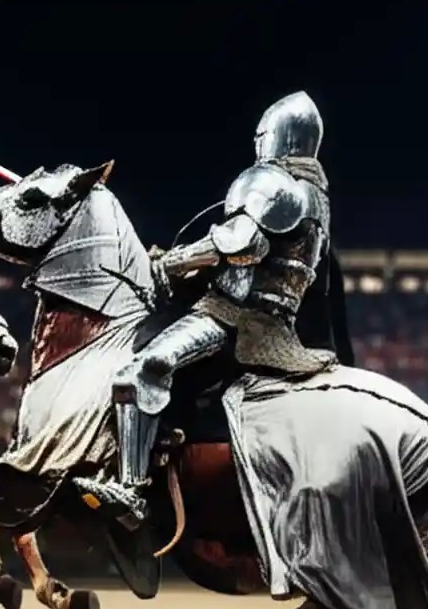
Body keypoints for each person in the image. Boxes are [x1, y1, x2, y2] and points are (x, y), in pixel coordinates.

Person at [95, 91, 336, 528]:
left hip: (233, 317)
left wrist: (171, 262)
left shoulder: (273, 183)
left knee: (140, 371)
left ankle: (130, 491)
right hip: (281, 320)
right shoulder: (317, 195)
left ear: (275, 136)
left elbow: (242, 244)